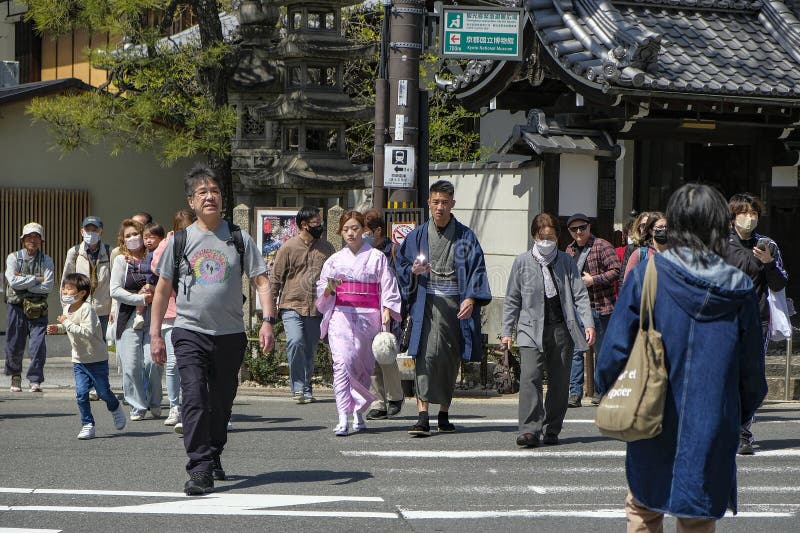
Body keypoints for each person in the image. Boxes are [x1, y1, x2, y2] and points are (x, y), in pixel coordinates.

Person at [596, 183, 767, 530]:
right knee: (697, 518)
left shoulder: (649, 274)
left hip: (651, 414)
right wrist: (733, 416)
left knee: (644, 509)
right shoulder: (739, 288)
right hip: (712, 420)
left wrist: (614, 393)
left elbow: (614, 352)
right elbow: (752, 375)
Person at [150, 164, 276, 496]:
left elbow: (261, 280)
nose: (211, 196)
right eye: (203, 192)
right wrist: (154, 335)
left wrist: (267, 321)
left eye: (215, 191)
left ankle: (214, 450)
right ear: (191, 201)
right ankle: (200, 467)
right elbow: (162, 290)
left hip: (230, 334)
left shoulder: (237, 237)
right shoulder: (179, 240)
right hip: (189, 331)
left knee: (221, 402)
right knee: (193, 398)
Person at [396, 180, 492, 437]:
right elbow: (401, 266)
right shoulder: (417, 235)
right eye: (435, 202)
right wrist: (412, 272)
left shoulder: (464, 237)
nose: (440, 207)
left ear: (452, 204)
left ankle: (444, 414)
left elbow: (477, 269)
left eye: (445, 203)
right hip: (425, 304)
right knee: (425, 357)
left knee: (449, 359)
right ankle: (422, 415)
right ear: (429, 202)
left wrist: (471, 298)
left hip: (454, 307)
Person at [501, 213, 595, 448]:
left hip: (561, 328)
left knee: (560, 381)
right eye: (542, 237)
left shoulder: (565, 261)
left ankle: (552, 428)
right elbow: (512, 298)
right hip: (529, 328)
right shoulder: (522, 262)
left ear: (557, 237)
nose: (546, 242)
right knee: (530, 377)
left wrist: (589, 323)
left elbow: (580, 294)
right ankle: (529, 430)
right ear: (534, 236)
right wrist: (507, 331)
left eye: (551, 238)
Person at [315, 210, 402, 436]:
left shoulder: (377, 257)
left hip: (368, 316)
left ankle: (358, 413)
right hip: (341, 315)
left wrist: (386, 309)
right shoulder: (334, 260)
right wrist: (329, 288)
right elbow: (322, 291)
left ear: (364, 229)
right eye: (345, 229)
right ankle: (343, 415)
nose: (350, 233)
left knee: (362, 366)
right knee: (343, 363)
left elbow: (388, 286)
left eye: (355, 228)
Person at [724, 192, 788, 455]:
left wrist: (768, 263)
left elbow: (780, 283)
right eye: (743, 213)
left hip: (756, 320)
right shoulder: (718, 245)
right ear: (732, 216)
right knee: (725, 376)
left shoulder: (768, 245)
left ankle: (743, 431)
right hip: (722, 320)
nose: (749, 218)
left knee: (750, 378)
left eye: (753, 213)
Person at [46, 273, 127, 439]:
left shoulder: (87, 309)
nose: (64, 292)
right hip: (79, 360)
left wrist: (66, 323)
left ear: (81, 293)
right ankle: (87, 424)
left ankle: (115, 408)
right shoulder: (67, 309)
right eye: (64, 288)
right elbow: (70, 327)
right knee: (81, 394)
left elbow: (87, 333)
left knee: (103, 392)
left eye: (69, 289)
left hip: (96, 359)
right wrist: (59, 328)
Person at [269, 206, 334, 404]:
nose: (320, 226)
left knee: (310, 348)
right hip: (291, 305)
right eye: (316, 222)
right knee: (296, 342)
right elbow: (275, 278)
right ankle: (298, 387)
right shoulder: (288, 247)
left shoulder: (327, 248)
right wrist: (270, 308)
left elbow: (334, 275)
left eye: (320, 222)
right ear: (304, 225)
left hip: (316, 307)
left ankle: (306, 387)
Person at [564, 213, 621, 408]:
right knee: (576, 351)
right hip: (578, 308)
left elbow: (616, 270)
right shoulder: (569, 250)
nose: (579, 232)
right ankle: (575, 394)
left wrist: (593, 280)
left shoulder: (602, 245)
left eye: (582, 227)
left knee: (601, 352)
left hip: (601, 307)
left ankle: (600, 391)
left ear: (589, 227)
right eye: (574, 229)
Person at [110, 218, 162, 421]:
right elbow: (115, 290)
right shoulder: (121, 260)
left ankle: (155, 402)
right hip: (128, 317)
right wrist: (140, 298)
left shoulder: (155, 257)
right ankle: (137, 405)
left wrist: (152, 295)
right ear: (123, 240)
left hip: (154, 316)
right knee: (131, 364)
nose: (132, 238)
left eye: (135, 234)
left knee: (153, 362)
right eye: (128, 236)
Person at [151, 209, 197, 428]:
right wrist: (171, 243)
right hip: (171, 311)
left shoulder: (200, 240)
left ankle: (192, 407)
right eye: (182, 229)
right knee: (172, 363)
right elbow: (155, 267)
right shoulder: (168, 243)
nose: (186, 232)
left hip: (195, 312)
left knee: (193, 364)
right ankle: (174, 407)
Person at [363, 208, 405, 420]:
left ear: (377, 230)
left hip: (386, 310)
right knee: (371, 358)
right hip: (365, 310)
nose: (362, 235)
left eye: (365, 231)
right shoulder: (360, 252)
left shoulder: (393, 251)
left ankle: (395, 396)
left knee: (385, 354)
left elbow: (397, 284)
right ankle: (378, 401)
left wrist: (389, 308)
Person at [4, 222, 55, 393]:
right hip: (16, 306)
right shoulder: (13, 257)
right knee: (14, 342)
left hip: (38, 307)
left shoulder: (47, 260)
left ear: (41, 240)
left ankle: (35, 379)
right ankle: (15, 376)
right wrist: (36, 279)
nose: (32, 239)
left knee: (38, 344)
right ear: (23, 239)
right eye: (29, 236)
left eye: (36, 236)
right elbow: (13, 282)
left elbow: (47, 286)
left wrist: (24, 279)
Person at [62, 216, 113, 340]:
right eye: (87, 229)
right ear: (82, 231)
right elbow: (66, 281)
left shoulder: (109, 251)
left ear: (101, 231)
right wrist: (66, 307)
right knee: (81, 343)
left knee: (101, 344)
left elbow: (115, 282)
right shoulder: (74, 252)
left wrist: (114, 309)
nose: (91, 233)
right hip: (80, 307)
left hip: (104, 310)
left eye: (94, 230)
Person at [131, 222, 165, 330]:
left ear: (161, 239)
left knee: (141, 294)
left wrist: (138, 266)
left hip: (155, 283)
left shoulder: (158, 252)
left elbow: (153, 267)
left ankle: (138, 315)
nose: (148, 241)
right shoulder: (150, 251)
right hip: (153, 283)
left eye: (152, 237)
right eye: (145, 238)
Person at [622, 212, 668, 284]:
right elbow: (628, 285)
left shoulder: (675, 254)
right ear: (650, 230)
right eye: (660, 227)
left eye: (666, 227)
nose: (664, 230)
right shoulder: (640, 254)